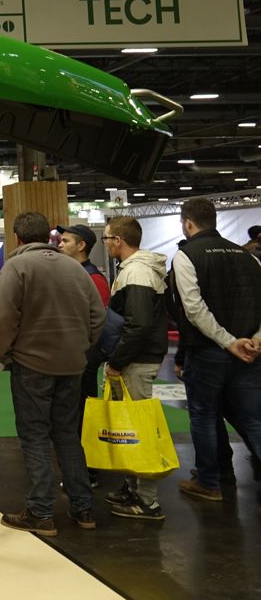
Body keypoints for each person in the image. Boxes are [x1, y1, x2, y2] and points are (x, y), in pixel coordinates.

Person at [0, 211, 105, 536]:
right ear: (48, 237)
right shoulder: (75, 268)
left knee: (35, 436)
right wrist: (81, 347)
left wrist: (4, 353)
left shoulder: (16, 266)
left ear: (17, 237)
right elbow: (98, 316)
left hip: (31, 365)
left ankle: (41, 513)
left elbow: (2, 316)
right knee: (67, 435)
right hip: (72, 365)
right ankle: (83, 508)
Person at [170, 198, 261, 505]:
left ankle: (209, 482)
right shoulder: (249, 257)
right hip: (249, 352)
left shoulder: (186, 256)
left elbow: (193, 309)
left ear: (187, 223)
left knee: (204, 417)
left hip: (208, 351)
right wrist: (255, 339)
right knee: (254, 420)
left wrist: (227, 341)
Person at [101, 216, 169, 521]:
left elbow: (138, 324)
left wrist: (117, 362)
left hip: (136, 362)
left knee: (139, 429)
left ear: (118, 240)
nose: (105, 244)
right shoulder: (134, 269)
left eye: (106, 238)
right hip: (136, 359)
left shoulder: (137, 272)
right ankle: (132, 488)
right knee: (129, 428)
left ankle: (147, 501)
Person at [56, 223, 112, 487]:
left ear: (81, 246)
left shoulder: (94, 279)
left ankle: (86, 472)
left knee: (81, 416)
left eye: (66, 241)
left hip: (83, 359)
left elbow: (97, 322)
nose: (60, 244)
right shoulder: (71, 274)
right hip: (69, 358)